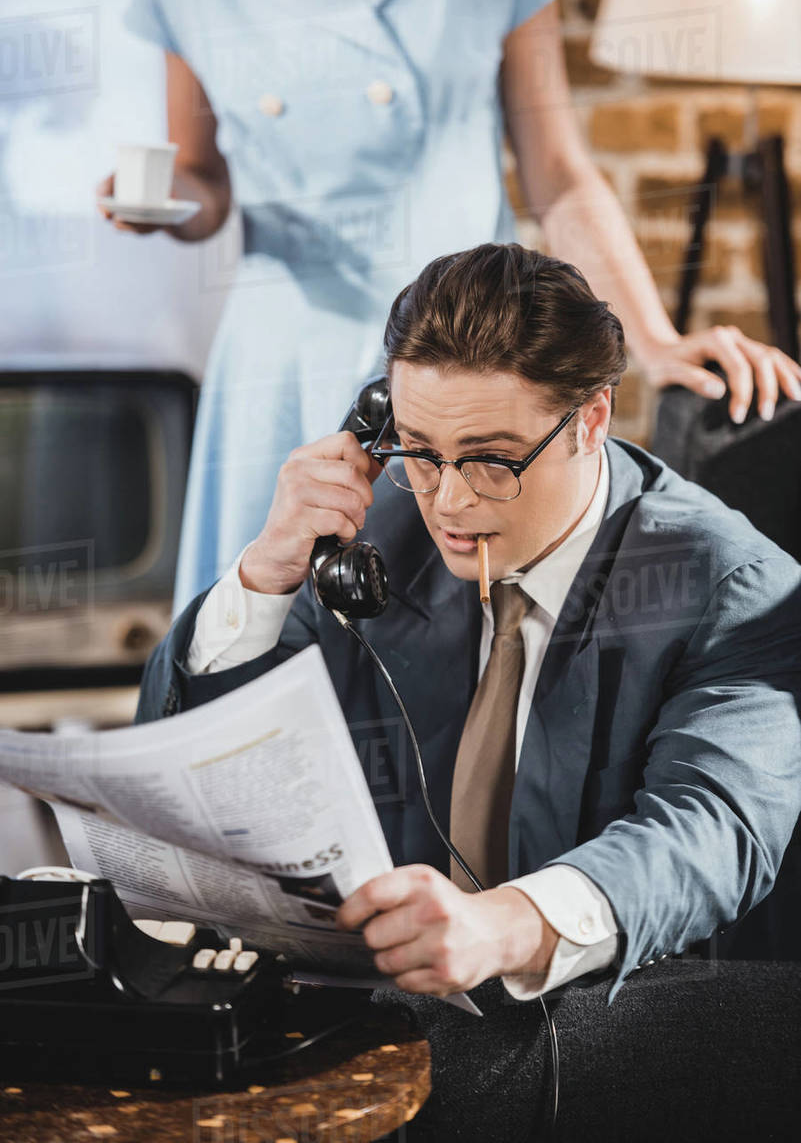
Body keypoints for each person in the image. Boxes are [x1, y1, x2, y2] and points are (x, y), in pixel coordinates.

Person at [137, 243, 801, 1139]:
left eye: (490, 459)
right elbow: (193, 753)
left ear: (589, 419)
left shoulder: (728, 582)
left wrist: (502, 925)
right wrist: (265, 577)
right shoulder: (385, 535)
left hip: (612, 1026)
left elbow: (710, 831)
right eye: (418, 449)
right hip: (381, 1012)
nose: (447, 501)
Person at [100, 0, 801, 614]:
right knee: (265, 636)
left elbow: (554, 170)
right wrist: (164, 208)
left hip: (473, 343)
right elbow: (204, 180)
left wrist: (652, 339)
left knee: (461, 638)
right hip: (285, 353)